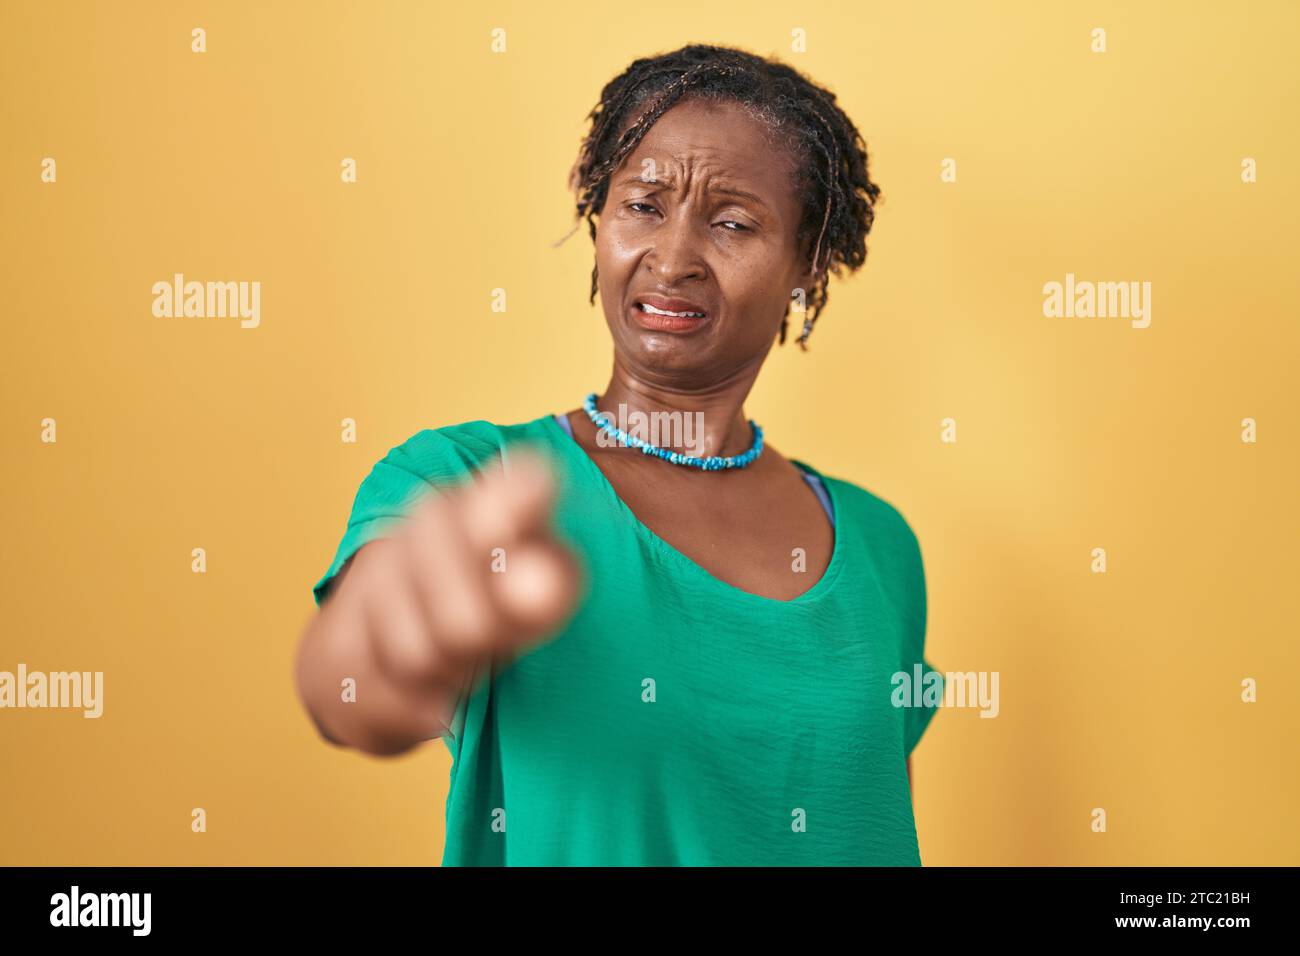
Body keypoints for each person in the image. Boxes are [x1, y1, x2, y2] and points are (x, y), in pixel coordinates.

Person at [294, 43, 942, 866]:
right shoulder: (471, 480)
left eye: (733, 222)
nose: (672, 261)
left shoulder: (881, 546)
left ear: (807, 265)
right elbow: (359, 688)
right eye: (642, 205)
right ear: (598, 217)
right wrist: (393, 643)